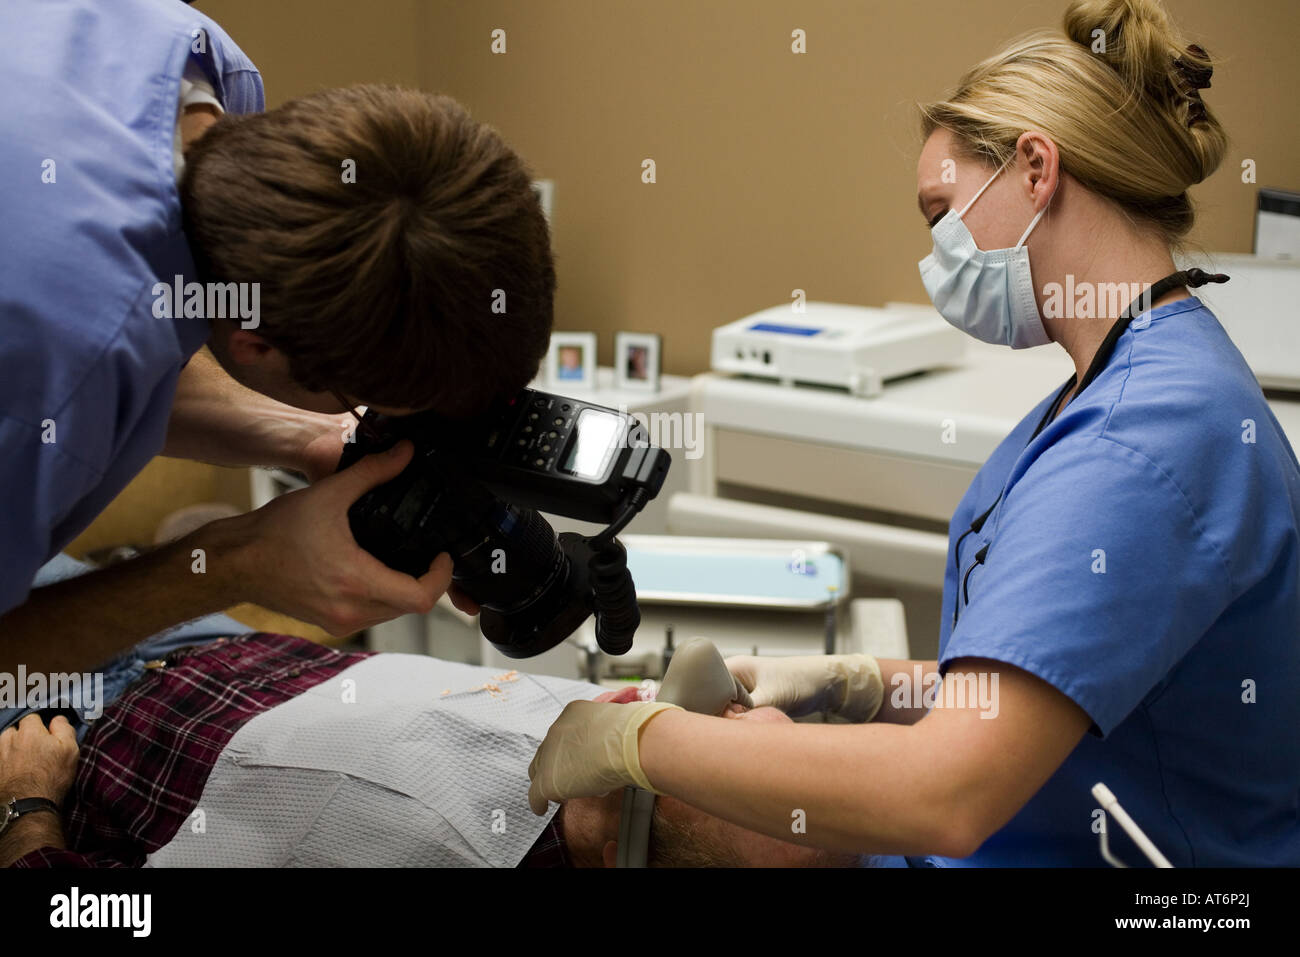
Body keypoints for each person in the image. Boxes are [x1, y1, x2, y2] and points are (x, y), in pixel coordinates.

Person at [527, 0, 1300, 867]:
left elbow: (947, 795)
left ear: (1038, 170)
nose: (937, 257)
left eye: (942, 215)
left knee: (615, 821)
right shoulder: (1136, 380)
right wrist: (857, 686)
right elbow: (1042, 689)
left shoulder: (1140, 440)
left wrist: (640, 742)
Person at [0, 0, 553, 682]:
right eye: (366, 401)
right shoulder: (50, 360)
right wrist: (237, 560)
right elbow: (95, 350)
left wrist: (310, 437)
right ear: (256, 343)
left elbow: (144, 329)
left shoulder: (197, 62)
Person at [0, 632, 859, 868]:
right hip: (212, 636)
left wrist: (28, 806)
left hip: (57, 735)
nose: (692, 701)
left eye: (715, 736)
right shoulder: (610, 726)